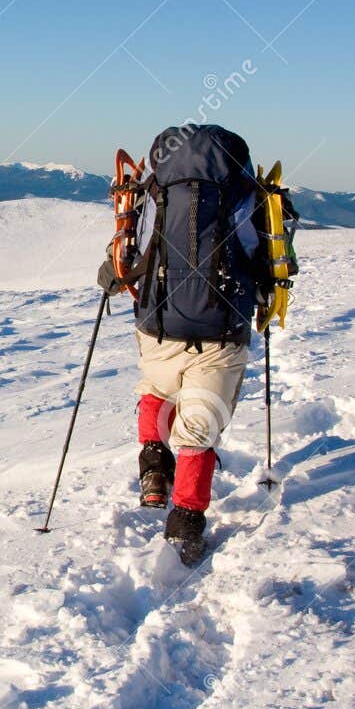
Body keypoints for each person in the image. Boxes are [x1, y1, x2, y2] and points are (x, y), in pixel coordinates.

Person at [97, 123, 273, 565]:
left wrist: (112, 278)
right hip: (219, 328)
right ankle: (185, 526)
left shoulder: (154, 188)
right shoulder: (245, 194)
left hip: (157, 323)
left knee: (157, 391)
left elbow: (126, 249)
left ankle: (154, 468)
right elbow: (268, 256)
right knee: (198, 426)